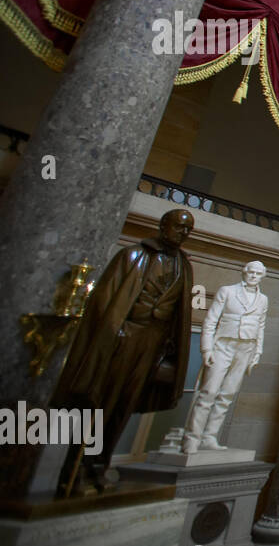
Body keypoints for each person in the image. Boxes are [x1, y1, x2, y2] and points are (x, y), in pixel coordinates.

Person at [52, 209, 195, 494]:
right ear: (163, 225)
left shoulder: (184, 265)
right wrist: (113, 334)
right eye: (179, 227)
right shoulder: (133, 256)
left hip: (152, 344)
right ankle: (75, 469)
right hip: (123, 337)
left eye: (188, 230)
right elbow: (105, 302)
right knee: (99, 403)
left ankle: (99, 467)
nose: (183, 234)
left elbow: (180, 314)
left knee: (123, 407)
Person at [183, 260, 268, 453]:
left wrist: (258, 352)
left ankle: (209, 437)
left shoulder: (263, 299)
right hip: (223, 345)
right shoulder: (227, 291)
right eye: (251, 272)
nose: (254, 276)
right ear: (244, 272)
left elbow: (260, 326)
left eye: (258, 274)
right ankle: (191, 438)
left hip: (246, 348)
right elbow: (210, 321)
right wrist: (207, 349)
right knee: (208, 392)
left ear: (263, 276)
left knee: (227, 394)